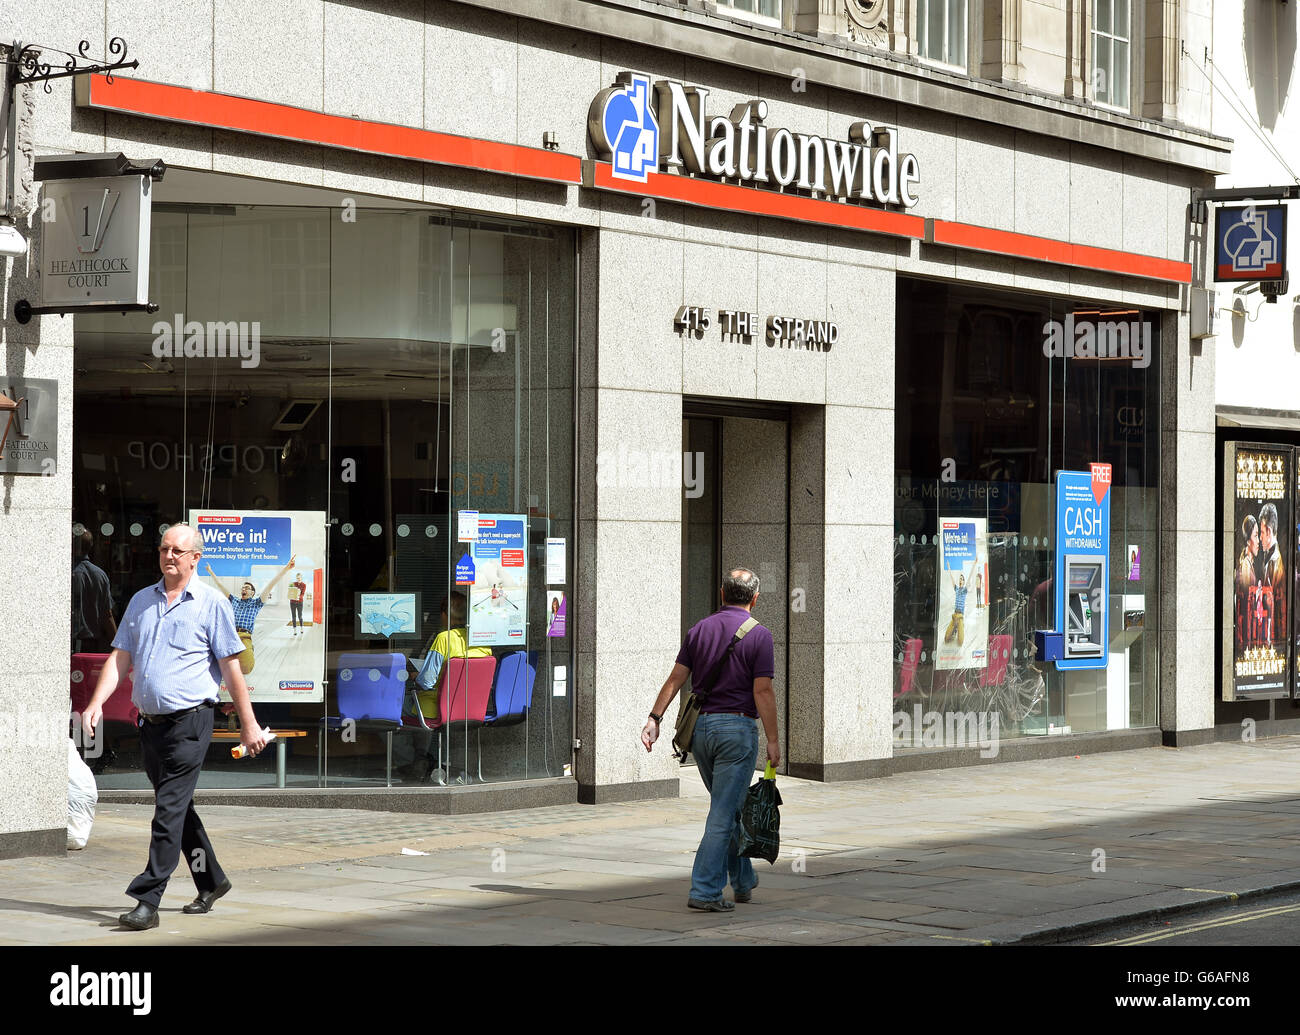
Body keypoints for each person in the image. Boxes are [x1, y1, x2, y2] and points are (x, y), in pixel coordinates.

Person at [82, 523, 268, 931]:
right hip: (150, 725)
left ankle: (147, 899)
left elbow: (231, 669)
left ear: (195, 558)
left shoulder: (212, 604)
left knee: (166, 810)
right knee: (177, 808)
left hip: (191, 722)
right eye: (164, 549)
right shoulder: (141, 601)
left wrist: (248, 724)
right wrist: (95, 703)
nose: (169, 556)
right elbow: (119, 659)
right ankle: (212, 880)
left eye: (178, 551)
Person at [641, 567, 779, 912]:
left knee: (727, 806)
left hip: (701, 731)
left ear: (721, 593)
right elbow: (762, 691)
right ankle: (704, 890)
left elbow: (675, 679)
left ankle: (743, 880)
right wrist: (774, 740)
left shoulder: (699, 629)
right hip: (737, 731)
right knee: (722, 812)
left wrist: (654, 719)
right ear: (755, 598)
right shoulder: (760, 635)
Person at [407, 591, 492, 781]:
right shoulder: (482, 639)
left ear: (444, 614)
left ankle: (418, 763)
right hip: (471, 708)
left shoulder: (443, 638)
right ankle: (436, 764)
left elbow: (427, 682)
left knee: (398, 708)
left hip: (437, 708)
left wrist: (414, 676)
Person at [205, 554, 296, 672]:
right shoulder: (234, 600)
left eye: (247, 588)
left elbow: (271, 585)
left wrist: (286, 569)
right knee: (217, 664)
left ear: (252, 593)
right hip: (230, 635)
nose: (244, 589)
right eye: (243, 587)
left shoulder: (256, 603)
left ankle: (245, 652)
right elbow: (220, 585)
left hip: (245, 637)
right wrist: (210, 572)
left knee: (247, 668)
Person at [71, 529, 117, 654]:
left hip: (69, 641)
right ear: (91, 546)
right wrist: (118, 647)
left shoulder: (68, 573)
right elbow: (107, 615)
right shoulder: (99, 575)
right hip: (91, 645)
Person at [1258, 503, 1286, 644]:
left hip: (1272, 635)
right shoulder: (1270, 558)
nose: (1260, 538)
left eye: (1262, 533)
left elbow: (1275, 606)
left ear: (1268, 531)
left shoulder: (1275, 562)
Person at [1236, 514, 1259, 648]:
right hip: (1247, 626)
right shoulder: (1245, 565)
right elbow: (1246, 601)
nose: (1258, 541)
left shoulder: (1249, 564)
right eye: (1255, 536)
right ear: (1248, 539)